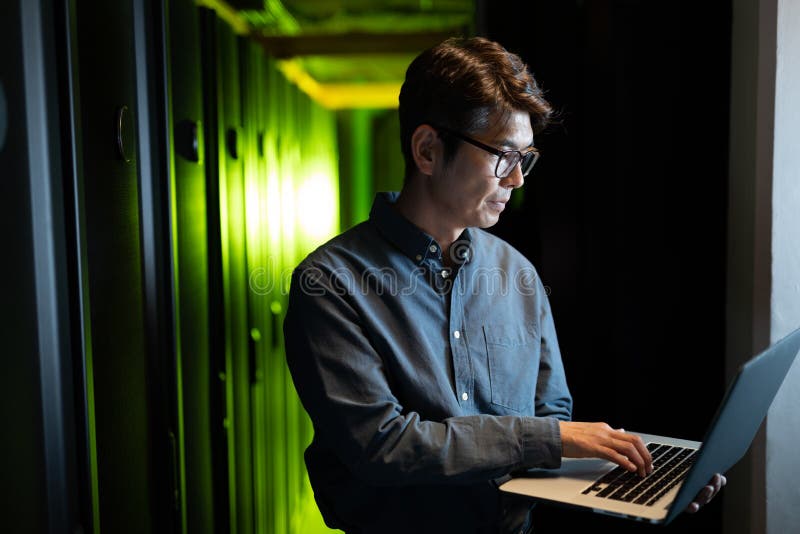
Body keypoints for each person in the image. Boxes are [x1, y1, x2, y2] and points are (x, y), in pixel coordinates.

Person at [283, 36, 725, 534]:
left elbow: (552, 421)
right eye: (504, 155)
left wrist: (634, 477)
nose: (517, 180)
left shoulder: (517, 273)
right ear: (427, 150)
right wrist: (552, 440)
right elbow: (382, 446)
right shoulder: (331, 283)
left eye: (525, 158)